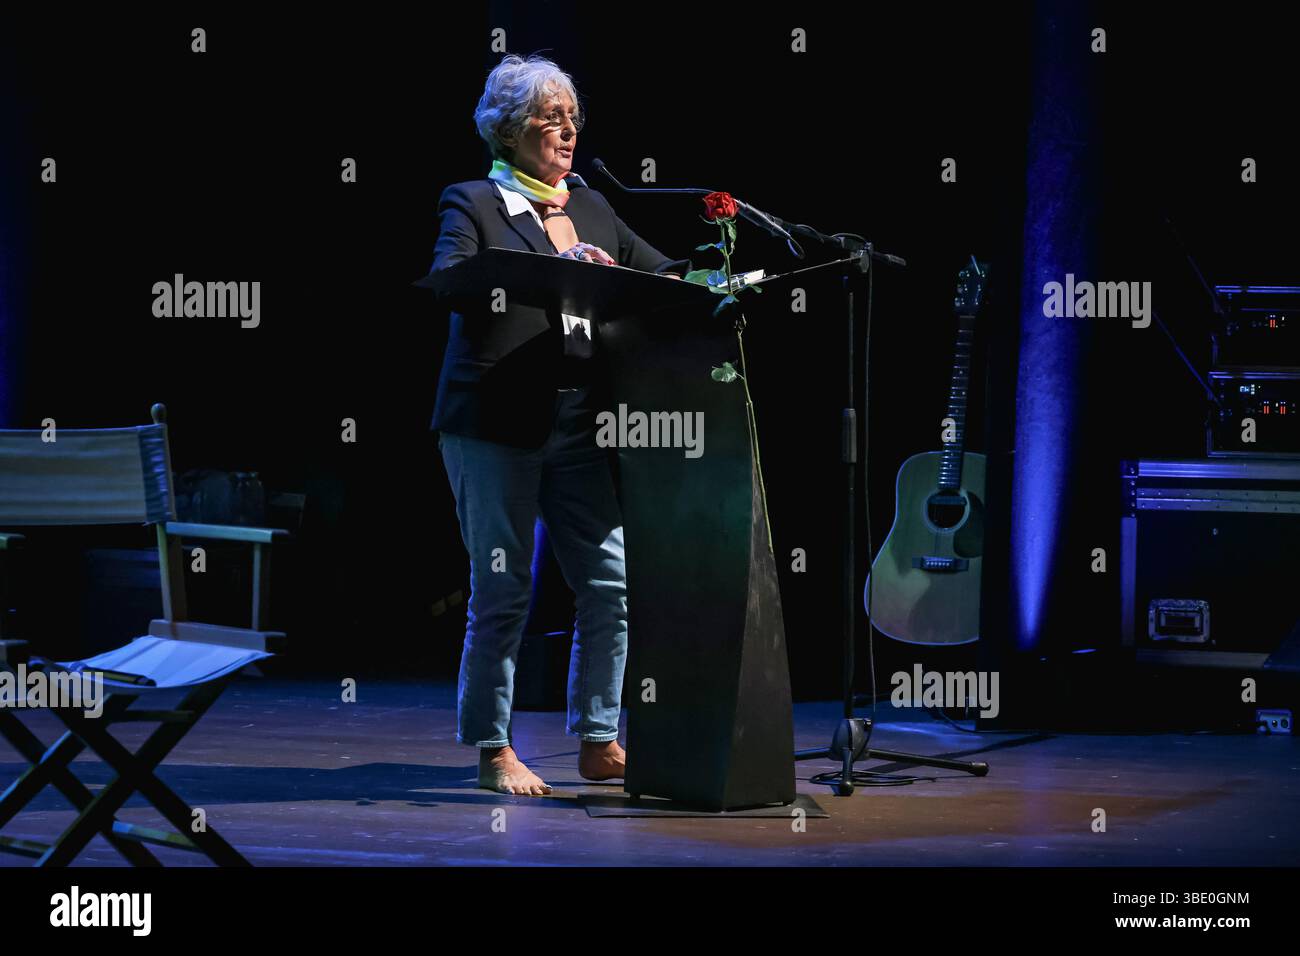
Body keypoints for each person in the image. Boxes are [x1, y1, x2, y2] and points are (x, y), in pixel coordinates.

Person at [428, 53, 689, 795]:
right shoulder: (473, 202)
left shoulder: (595, 204)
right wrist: (557, 271)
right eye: (550, 119)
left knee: (610, 580)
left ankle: (599, 737)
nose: (566, 132)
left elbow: (661, 275)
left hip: (573, 423)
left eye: (572, 119)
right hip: (491, 421)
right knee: (503, 589)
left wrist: (685, 281)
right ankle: (493, 749)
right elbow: (453, 281)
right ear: (510, 130)